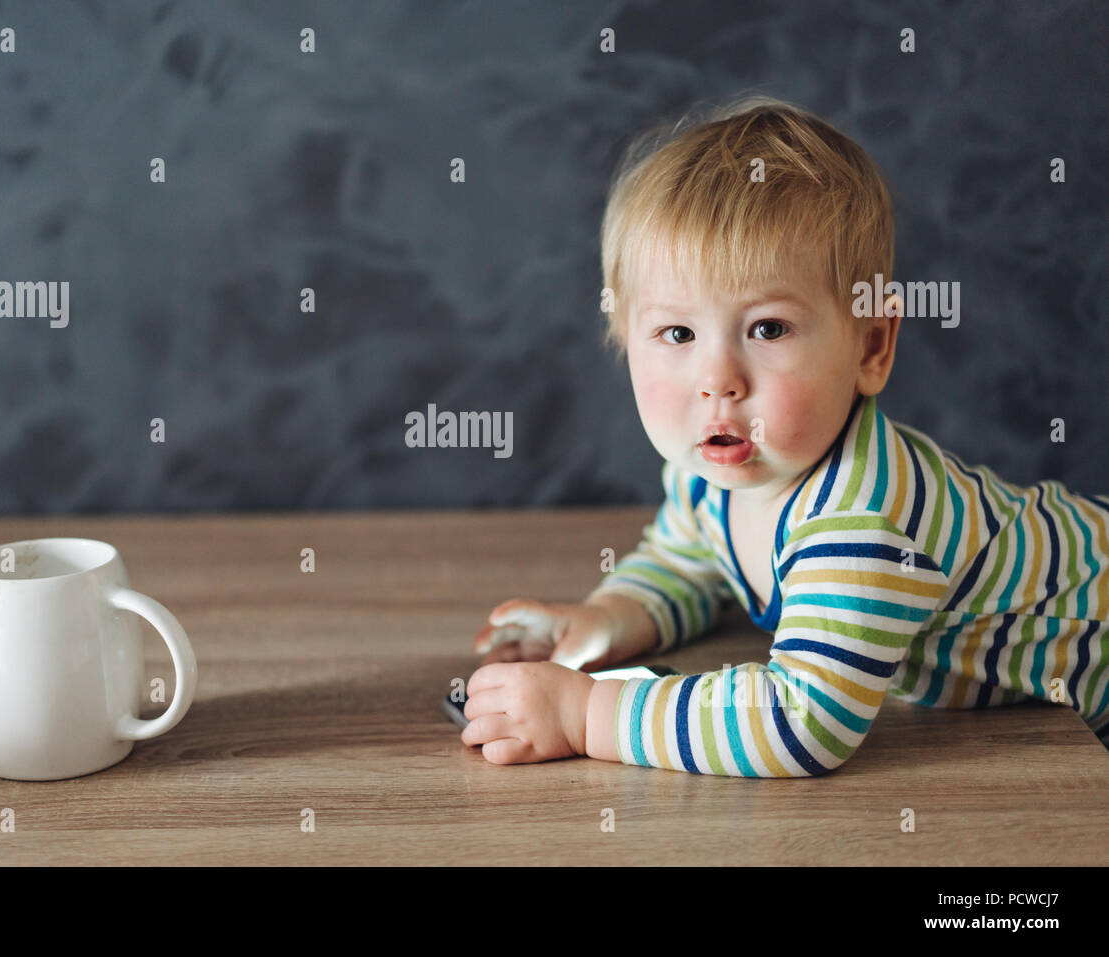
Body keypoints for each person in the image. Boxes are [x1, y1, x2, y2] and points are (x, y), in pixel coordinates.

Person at [461, 95, 1109, 775]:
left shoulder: (859, 520)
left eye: (767, 328)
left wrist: (586, 713)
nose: (718, 379)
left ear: (871, 346)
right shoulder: (711, 467)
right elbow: (686, 563)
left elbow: (801, 722)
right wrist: (600, 621)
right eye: (677, 333)